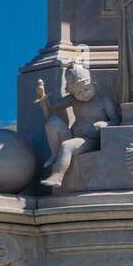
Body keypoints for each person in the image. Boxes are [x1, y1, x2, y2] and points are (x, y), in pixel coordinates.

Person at [37, 56, 120, 187]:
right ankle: (54, 155)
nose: (84, 94)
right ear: (72, 92)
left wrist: (106, 124)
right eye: (78, 92)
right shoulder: (73, 100)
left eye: (86, 89)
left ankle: (57, 177)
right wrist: (42, 98)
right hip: (73, 135)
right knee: (52, 122)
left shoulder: (103, 100)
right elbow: (52, 107)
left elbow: (116, 120)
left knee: (66, 146)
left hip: (90, 141)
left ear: (93, 82)